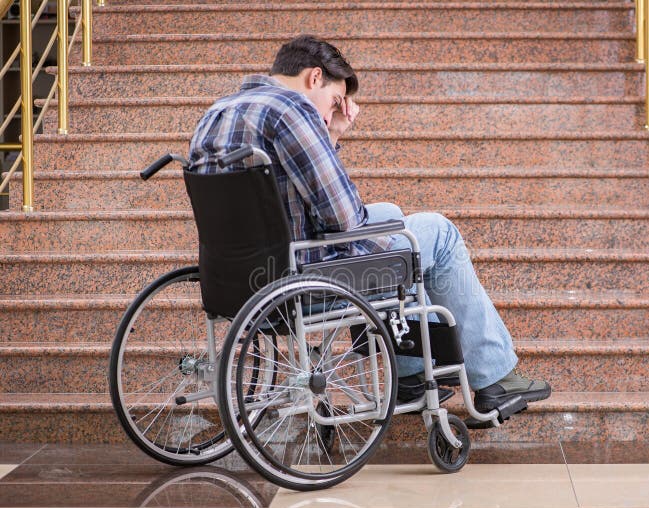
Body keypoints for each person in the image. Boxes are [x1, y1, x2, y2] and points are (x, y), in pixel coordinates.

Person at [188, 35, 550, 420]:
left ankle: (410, 372)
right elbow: (345, 219)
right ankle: (491, 377)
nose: (329, 114)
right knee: (437, 234)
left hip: (239, 279)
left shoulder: (217, 112)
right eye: (332, 102)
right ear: (314, 78)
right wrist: (327, 134)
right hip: (303, 277)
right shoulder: (290, 111)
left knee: (392, 215)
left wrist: (332, 134)